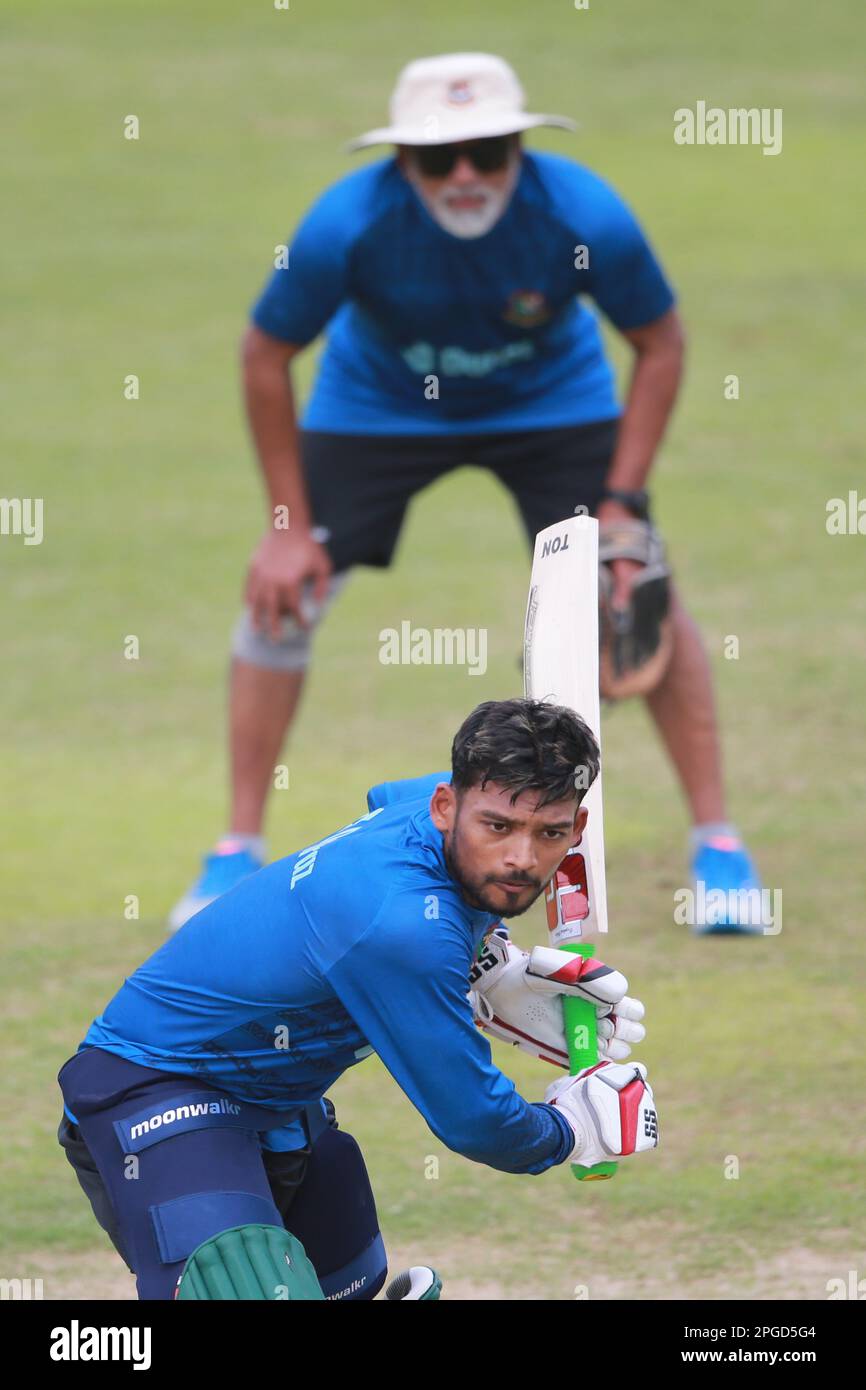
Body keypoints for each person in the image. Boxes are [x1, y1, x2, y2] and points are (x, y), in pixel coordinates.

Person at [169, 51, 760, 933]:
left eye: (489, 150)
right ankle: (232, 856)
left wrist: (623, 503)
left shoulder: (582, 213)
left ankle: (720, 849)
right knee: (276, 601)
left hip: (549, 405)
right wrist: (286, 525)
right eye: (441, 158)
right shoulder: (346, 225)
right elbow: (265, 355)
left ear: (522, 144)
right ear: (401, 161)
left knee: (639, 594)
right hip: (379, 408)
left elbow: (661, 343)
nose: (468, 174)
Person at [60, 699, 656, 1300]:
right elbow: (474, 1121)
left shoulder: (425, 809)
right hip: (151, 1087)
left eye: (549, 833)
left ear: (576, 829)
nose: (521, 859)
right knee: (237, 1281)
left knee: (349, 1281)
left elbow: (383, 796)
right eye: (497, 827)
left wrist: (486, 963)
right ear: (445, 806)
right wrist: (568, 1129)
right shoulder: (401, 929)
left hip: (277, 1102)